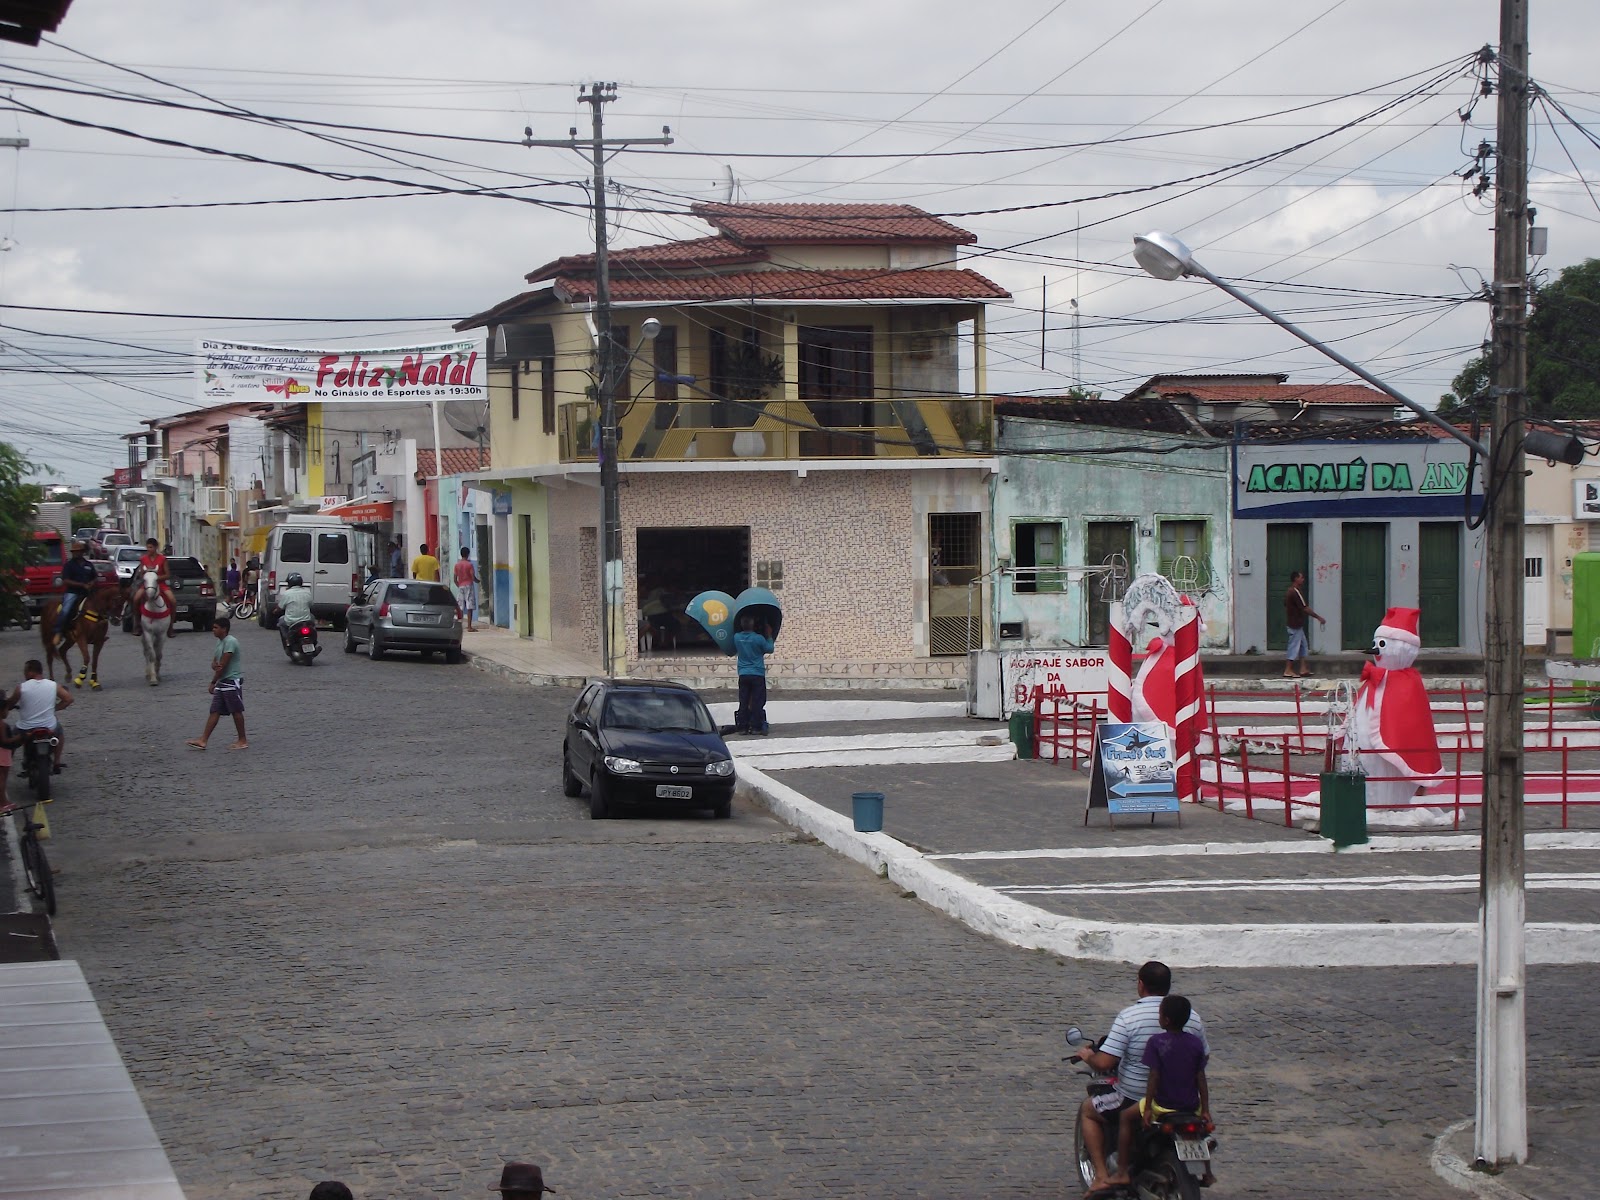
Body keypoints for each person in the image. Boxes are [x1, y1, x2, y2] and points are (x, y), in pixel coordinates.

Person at [1073, 960, 1208, 1193]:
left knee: (1088, 1110)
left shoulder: (1129, 1017)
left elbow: (1105, 1062)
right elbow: (1203, 1061)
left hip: (1139, 1097)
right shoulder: (1191, 1017)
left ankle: (1103, 1177)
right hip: (1185, 1099)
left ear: (1141, 984)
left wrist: (1087, 1056)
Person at [1105, 994, 1212, 1189]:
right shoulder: (1196, 1043)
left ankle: (1121, 1172)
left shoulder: (1157, 1042)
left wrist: (1147, 1109)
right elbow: (1201, 1079)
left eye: (1160, 1014)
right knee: (1197, 1135)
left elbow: (1153, 1077)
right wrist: (1205, 1109)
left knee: (1126, 1118)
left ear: (1166, 1020)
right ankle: (1207, 1174)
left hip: (1162, 1105)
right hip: (1191, 1105)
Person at [187, 616, 246, 751]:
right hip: (223, 681)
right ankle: (203, 740)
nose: (213, 630)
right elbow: (216, 662)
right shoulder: (220, 642)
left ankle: (242, 739)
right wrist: (214, 665)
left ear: (224, 629)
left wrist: (213, 682)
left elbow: (223, 665)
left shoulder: (230, 642)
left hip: (231, 681)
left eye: (216, 628)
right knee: (215, 711)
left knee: (236, 711)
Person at [7, 659, 72, 773]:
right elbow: (68, 699)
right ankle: (56, 762)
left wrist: (8, 705)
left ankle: (5, 767)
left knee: (9, 740)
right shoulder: (53, 685)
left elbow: (10, 703)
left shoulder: (21, 688)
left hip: (25, 728)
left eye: (25, 671)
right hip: (49, 727)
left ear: (31, 671)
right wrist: (54, 708)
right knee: (60, 732)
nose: (24, 674)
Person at [732, 614, 776, 735]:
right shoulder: (759, 639)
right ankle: (756, 726)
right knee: (757, 700)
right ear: (753, 625)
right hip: (757, 673)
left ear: (741, 625)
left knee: (743, 700)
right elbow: (770, 649)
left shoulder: (736, 637)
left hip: (743, 673)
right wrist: (769, 635)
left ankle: (742, 727)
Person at [54, 540, 98, 647]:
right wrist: (81, 585)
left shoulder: (88, 565)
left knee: (101, 607)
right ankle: (58, 632)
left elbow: (95, 576)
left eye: (78, 551)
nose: (76, 553)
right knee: (65, 609)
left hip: (87, 592)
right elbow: (66, 580)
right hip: (73, 592)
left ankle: (99, 633)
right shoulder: (69, 565)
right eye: (74, 551)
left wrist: (92, 583)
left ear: (82, 552)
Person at [1283, 570, 1326, 679]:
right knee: (1293, 647)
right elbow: (1305, 608)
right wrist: (1318, 617)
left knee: (1303, 646)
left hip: (1296, 624)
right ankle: (1288, 670)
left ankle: (1303, 669)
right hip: (1295, 625)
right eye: (1301, 578)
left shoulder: (1289, 591)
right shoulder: (1295, 592)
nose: (1303, 579)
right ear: (1296, 579)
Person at [130, 537, 174, 634]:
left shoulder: (162, 559)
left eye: (151, 547)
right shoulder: (143, 559)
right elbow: (141, 574)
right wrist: (146, 574)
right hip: (147, 584)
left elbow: (167, 574)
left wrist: (157, 578)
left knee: (172, 600)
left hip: (160, 583)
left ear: (156, 548)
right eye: (148, 547)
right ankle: (137, 624)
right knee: (136, 599)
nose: (149, 550)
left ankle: (170, 626)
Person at [275, 572, 314, 647]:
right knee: (312, 619)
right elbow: (311, 604)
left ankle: (287, 639)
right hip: (306, 620)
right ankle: (313, 639)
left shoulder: (287, 594)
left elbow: (279, 607)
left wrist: (275, 611)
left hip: (291, 621)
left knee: (281, 622)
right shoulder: (307, 593)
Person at [453, 546, 480, 633]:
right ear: (468, 554)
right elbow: (472, 577)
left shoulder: (457, 565)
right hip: (469, 586)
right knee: (469, 606)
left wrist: (459, 585)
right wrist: (478, 581)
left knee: (460, 606)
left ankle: (458, 625)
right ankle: (469, 626)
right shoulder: (469, 565)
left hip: (461, 586)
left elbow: (454, 579)